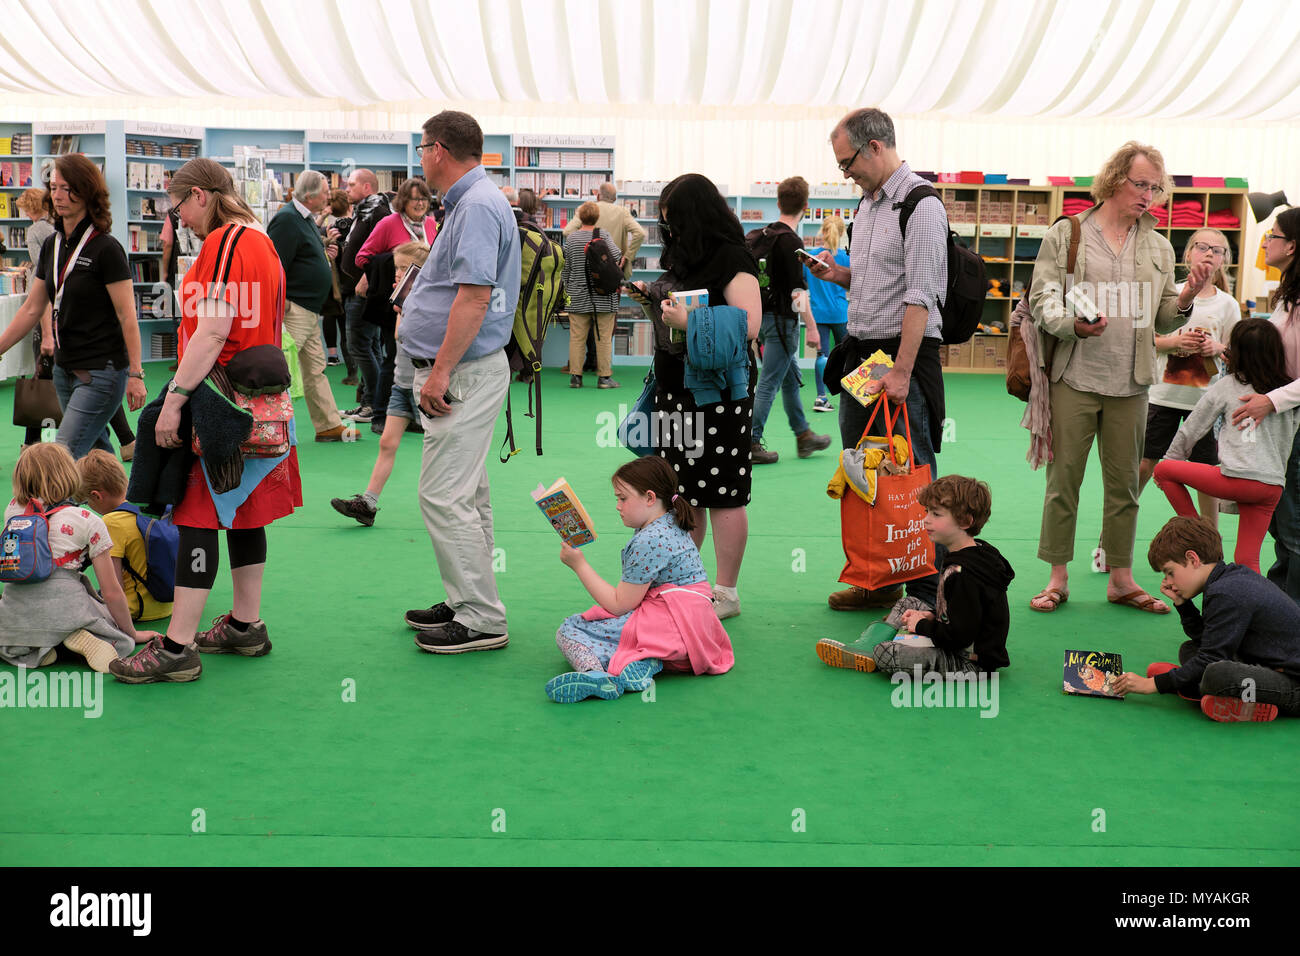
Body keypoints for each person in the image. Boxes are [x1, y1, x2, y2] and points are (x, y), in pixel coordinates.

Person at [109, 157, 302, 684]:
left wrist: (175, 398)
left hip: (220, 403)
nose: (177, 221)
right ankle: (245, 624)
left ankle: (176, 648)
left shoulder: (223, 245)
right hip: (263, 406)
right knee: (244, 512)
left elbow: (213, 331)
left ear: (199, 195)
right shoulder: (262, 242)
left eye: (177, 208)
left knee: (196, 515)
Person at [1023, 141, 1215, 615]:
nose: (1149, 195)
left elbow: (1164, 319)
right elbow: (1043, 297)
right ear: (1114, 180)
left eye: (1156, 188)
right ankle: (1057, 577)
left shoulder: (1159, 244)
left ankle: (1121, 578)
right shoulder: (1067, 234)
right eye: (1141, 184)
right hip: (1074, 376)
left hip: (1132, 384)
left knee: (1125, 485)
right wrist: (1072, 325)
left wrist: (1187, 296)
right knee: (1063, 480)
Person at [809, 108, 948, 618]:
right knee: (862, 468)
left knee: (913, 470)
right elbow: (879, 281)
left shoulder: (921, 205)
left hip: (902, 357)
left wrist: (903, 371)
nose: (846, 174)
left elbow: (921, 297)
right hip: (863, 355)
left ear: (874, 147)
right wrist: (839, 277)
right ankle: (877, 578)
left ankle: (928, 590)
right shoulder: (867, 207)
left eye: (847, 163)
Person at [400, 110, 519, 654]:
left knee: (444, 496)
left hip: (463, 372)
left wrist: (440, 370)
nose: (420, 157)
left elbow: (473, 296)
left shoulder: (474, 206)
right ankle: (467, 597)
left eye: (422, 147)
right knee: (465, 493)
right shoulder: (476, 202)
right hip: (468, 369)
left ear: (439, 150)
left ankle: (480, 615)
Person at [627, 173, 762, 620]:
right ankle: (687, 581)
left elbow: (749, 326)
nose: (671, 231)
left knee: (723, 492)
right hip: (674, 391)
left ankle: (725, 591)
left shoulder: (732, 257)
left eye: (676, 221)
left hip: (717, 398)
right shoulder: (683, 255)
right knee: (683, 492)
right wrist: (654, 299)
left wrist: (689, 321)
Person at [546, 456, 735, 702]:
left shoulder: (648, 540)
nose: (617, 506)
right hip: (697, 627)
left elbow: (619, 604)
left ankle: (596, 674)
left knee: (571, 630)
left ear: (649, 497)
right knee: (610, 626)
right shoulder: (670, 519)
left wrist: (579, 565)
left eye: (622, 498)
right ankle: (647, 659)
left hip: (672, 623)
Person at [0, 155, 147, 459]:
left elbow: (126, 316)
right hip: (64, 371)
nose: (58, 196)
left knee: (63, 455)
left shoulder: (106, 248)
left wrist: (135, 374)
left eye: (68, 188)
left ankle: (48, 506)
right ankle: (117, 504)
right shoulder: (52, 245)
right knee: (94, 458)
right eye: (54, 187)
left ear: (87, 191)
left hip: (102, 372)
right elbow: (31, 308)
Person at [815, 475, 1013, 678]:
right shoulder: (973, 551)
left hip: (969, 661)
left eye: (936, 514)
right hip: (958, 636)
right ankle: (865, 647)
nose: (926, 519)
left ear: (964, 521)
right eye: (927, 511)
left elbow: (958, 637)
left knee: (885, 653)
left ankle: (876, 648)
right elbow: (961, 613)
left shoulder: (964, 574)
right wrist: (933, 616)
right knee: (909, 603)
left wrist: (922, 625)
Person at [1114, 517, 1300, 722]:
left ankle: (1210, 691)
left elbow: (1211, 658)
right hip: (1267, 664)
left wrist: (1152, 685)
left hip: (1295, 685)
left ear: (1193, 559)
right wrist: (1182, 604)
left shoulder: (1227, 592)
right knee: (1189, 650)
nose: (1166, 582)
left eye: (1170, 572)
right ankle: (1193, 684)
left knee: (1216, 674)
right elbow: (1208, 640)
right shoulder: (1226, 580)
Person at [1153, 319, 1299, 573]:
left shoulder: (1228, 386)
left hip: (1235, 478)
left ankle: (1198, 535)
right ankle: (1252, 607)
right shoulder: (1287, 393)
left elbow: (1193, 427)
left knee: (1163, 471)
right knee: (1247, 559)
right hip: (1271, 486)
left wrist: (1173, 458)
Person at [0, 444, 158, 673]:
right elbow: (112, 590)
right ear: (69, 475)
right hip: (67, 607)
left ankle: (40, 649)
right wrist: (132, 633)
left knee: (7, 634)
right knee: (105, 616)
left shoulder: (12, 512)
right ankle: (74, 635)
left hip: (17, 608)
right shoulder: (87, 519)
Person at [1138, 228, 1239, 528]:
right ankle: (1113, 534)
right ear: (1188, 254)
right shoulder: (1170, 294)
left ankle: (1211, 542)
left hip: (1206, 404)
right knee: (1144, 466)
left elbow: (1237, 354)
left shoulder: (1228, 305)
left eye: (1217, 250)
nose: (1209, 253)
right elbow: (1144, 340)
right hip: (1162, 398)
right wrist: (1173, 343)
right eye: (1202, 247)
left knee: (1207, 474)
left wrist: (1218, 347)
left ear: (1224, 260)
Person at [330, 240, 430, 526]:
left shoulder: (426, 302)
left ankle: (450, 505)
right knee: (387, 442)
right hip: (402, 383)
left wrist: (405, 312)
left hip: (423, 386)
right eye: (396, 267)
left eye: (402, 268)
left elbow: (406, 337)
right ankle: (368, 504)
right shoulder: (402, 298)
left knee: (437, 451)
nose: (396, 273)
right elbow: (399, 336)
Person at [1229, 207, 1300, 601]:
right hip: (1283, 423)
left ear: (1291, 245)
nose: (1266, 242)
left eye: (1272, 235)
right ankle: (1277, 606)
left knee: (1293, 526)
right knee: (1281, 522)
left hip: (1291, 421)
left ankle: (1287, 622)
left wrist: (1270, 402)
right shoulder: (1287, 296)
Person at [266, 169, 352, 442]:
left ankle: (328, 425)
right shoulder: (288, 220)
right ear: (312, 195)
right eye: (326, 191)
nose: (330, 196)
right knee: (284, 370)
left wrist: (324, 253)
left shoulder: (303, 219)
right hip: (296, 308)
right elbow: (275, 266)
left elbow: (301, 255)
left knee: (315, 368)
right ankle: (270, 427)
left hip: (309, 308)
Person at [749, 175, 828, 464]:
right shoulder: (792, 242)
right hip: (784, 322)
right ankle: (752, 441)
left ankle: (803, 435)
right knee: (769, 383)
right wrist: (813, 328)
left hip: (760, 319)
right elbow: (798, 291)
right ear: (806, 206)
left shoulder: (762, 236)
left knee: (790, 379)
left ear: (778, 202)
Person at [351, 178, 438, 427]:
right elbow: (362, 257)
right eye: (414, 198)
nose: (420, 203)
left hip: (425, 305)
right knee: (392, 359)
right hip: (395, 301)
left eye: (424, 198)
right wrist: (394, 267)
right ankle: (381, 415)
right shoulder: (389, 223)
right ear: (403, 201)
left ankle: (410, 416)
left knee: (417, 361)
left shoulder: (431, 225)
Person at [77, 449, 174, 623]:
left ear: (96, 496)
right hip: (170, 604)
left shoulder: (111, 522)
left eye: (87, 502)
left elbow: (114, 585)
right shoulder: (151, 505)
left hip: (135, 609)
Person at [339, 168, 391, 411]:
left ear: (367, 187)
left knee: (360, 346)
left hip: (363, 292)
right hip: (356, 290)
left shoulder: (378, 213)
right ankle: (372, 401)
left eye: (351, 185)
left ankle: (376, 402)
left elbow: (383, 252)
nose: (346, 189)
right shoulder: (364, 211)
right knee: (368, 347)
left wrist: (367, 278)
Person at [561, 201, 623, 389]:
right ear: (597, 217)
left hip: (577, 296)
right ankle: (604, 378)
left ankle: (575, 377)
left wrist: (566, 289)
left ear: (580, 217)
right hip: (603, 296)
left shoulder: (571, 239)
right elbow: (617, 255)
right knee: (603, 337)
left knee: (577, 337)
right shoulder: (603, 235)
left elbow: (566, 269)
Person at [14, 187, 56, 450]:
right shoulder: (54, 228)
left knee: (42, 375)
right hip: (60, 308)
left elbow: (43, 277)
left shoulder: (34, 232)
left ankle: (33, 442)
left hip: (45, 310)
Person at [804, 215, 850, 412]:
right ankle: (852, 397)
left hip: (818, 314)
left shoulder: (809, 258)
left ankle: (821, 398)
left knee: (822, 356)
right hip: (840, 313)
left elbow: (803, 286)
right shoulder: (846, 259)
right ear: (841, 233)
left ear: (822, 231)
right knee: (849, 356)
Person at [562, 181, 645, 279]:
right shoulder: (622, 212)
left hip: (587, 267)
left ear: (598, 196)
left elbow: (567, 231)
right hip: (612, 269)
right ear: (614, 199)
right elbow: (640, 233)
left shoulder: (586, 209)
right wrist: (627, 256)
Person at [318, 188, 350, 368]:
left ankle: (333, 355)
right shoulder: (332, 229)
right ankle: (346, 356)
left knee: (332, 315)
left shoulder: (327, 228)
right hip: (342, 278)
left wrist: (323, 217)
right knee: (340, 316)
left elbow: (313, 232)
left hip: (334, 278)